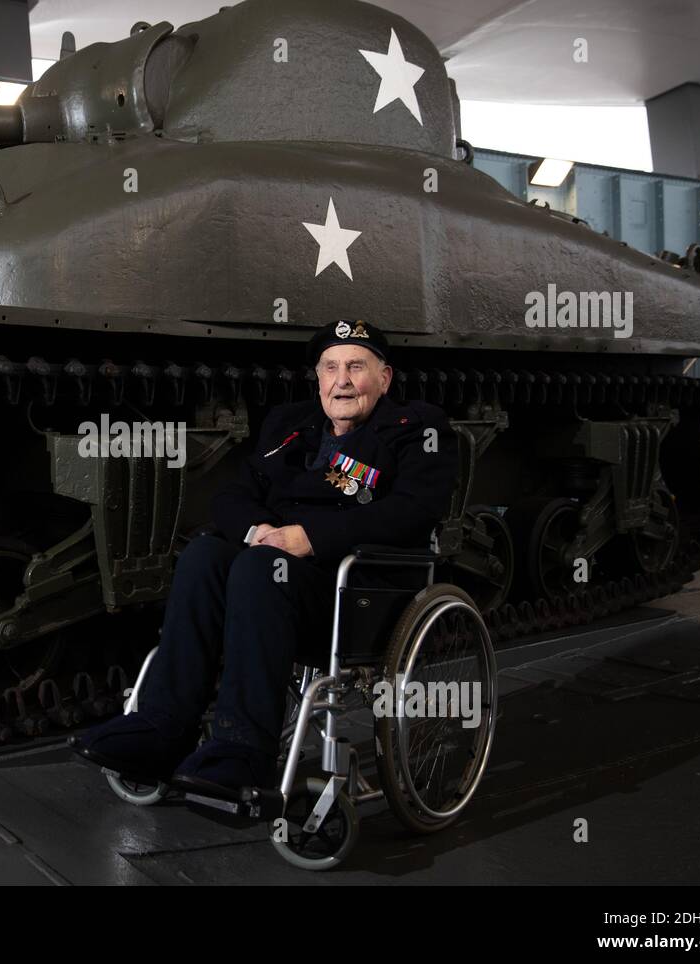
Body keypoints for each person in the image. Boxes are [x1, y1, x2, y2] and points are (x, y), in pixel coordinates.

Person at [70, 319, 459, 796]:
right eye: (330, 367)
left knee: (258, 567)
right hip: (274, 582)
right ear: (317, 377)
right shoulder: (289, 425)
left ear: (385, 378)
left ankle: (243, 751)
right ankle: (162, 728)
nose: (342, 380)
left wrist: (308, 537)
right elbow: (233, 496)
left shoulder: (418, 427)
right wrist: (261, 531)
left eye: (356, 367)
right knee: (205, 554)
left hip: (355, 594)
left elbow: (414, 512)